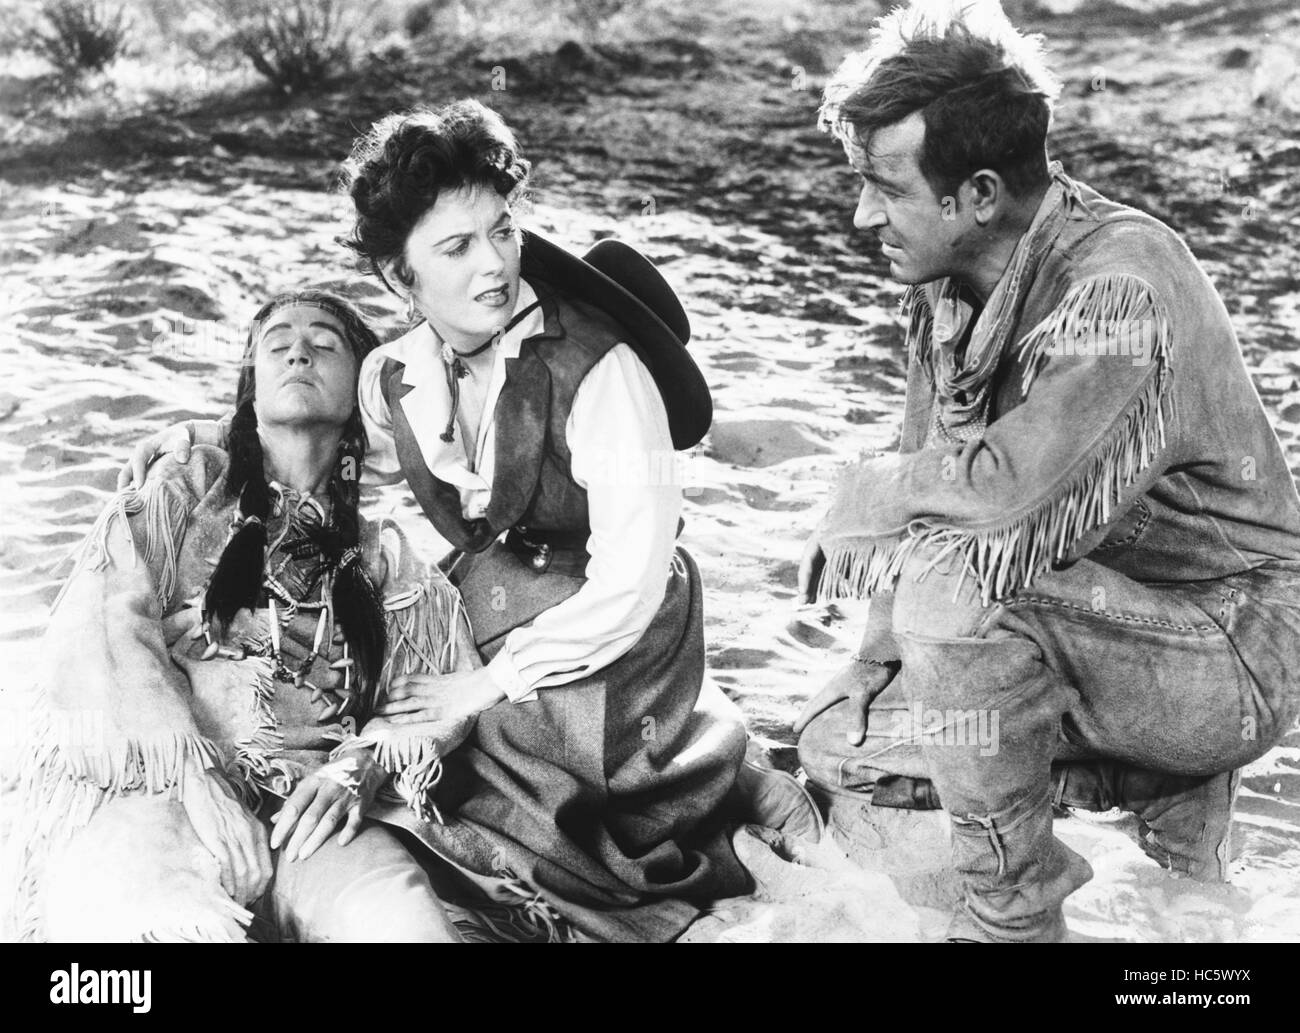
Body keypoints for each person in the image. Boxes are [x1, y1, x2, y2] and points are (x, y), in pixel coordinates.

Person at [120, 100, 820, 943]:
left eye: (502, 229)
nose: (493, 264)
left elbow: (631, 578)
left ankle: (729, 767)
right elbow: (329, 441)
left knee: (511, 801)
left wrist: (477, 687)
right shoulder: (399, 372)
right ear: (398, 278)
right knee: (386, 723)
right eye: (455, 247)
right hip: (486, 595)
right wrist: (199, 436)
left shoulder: (603, 372)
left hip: (616, 625)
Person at [793, 0, 1300, 943]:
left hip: (1231, 649)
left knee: (953, 597)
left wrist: (865, 493)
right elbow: (926, 476)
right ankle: (1147, 777)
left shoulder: (1120, 285)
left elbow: (1003, 491)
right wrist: (872, 658)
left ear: (979, 194)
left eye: (884, 187)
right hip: (1093, 635)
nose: (862, 214)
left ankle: (1015, 917)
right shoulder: (946, 288)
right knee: (833, 737)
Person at [5, 290, 477, 942]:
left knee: (410, 927)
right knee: (135, 946)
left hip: (308, 814)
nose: (297, 346)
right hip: (161, 794)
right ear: (252, 385)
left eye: (326, 340)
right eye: (275, 338)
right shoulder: (184, 485)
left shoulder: (385, 556)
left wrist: (360, 764)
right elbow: (103, 630)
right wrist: (197, 780)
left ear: (363, 391)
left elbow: (448, 695)